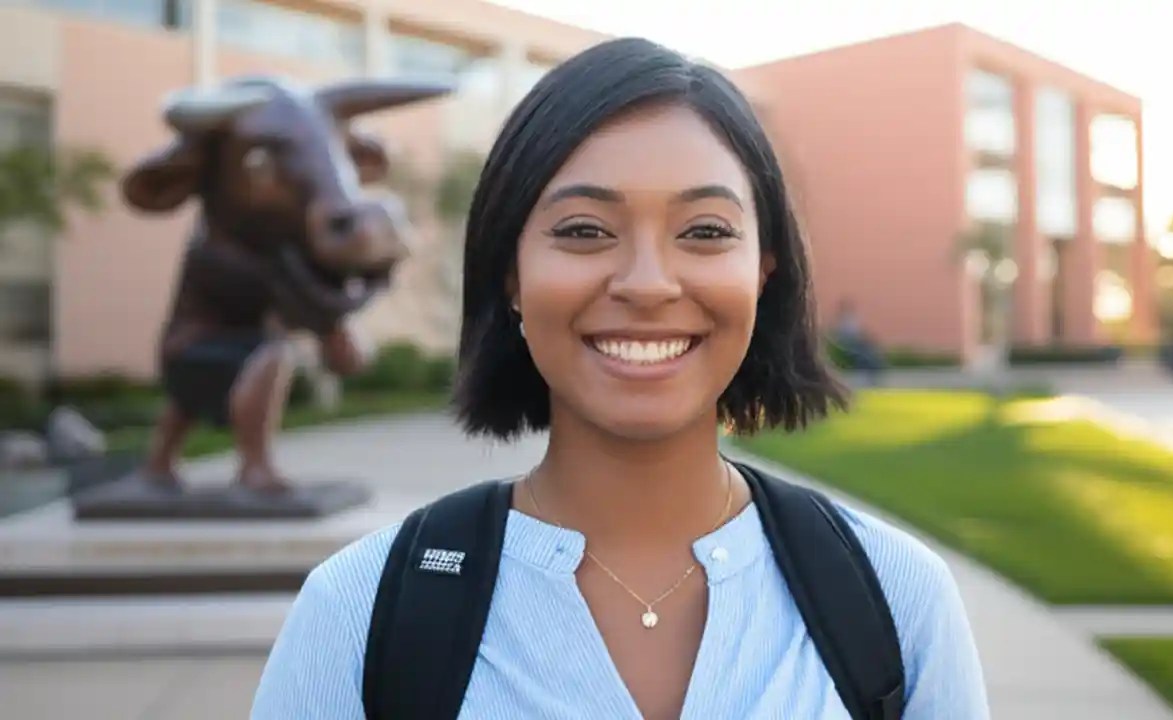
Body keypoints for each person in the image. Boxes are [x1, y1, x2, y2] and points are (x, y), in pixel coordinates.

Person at [251, 37, 988, 719]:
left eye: (705, 231)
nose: (647, 283)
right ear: (511, 274)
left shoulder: (894, 596)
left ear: (764, 272)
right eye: (583, 230)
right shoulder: (360, 610)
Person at [832, 298, 887, 385]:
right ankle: (870, 380)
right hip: (851, 346)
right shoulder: (842, 322)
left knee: (872, 356)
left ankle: (873, 378)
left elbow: (860, 333)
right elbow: (845, 337)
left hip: (858, 345)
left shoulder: (852, 320)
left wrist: (867, 338)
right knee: (866, 357)